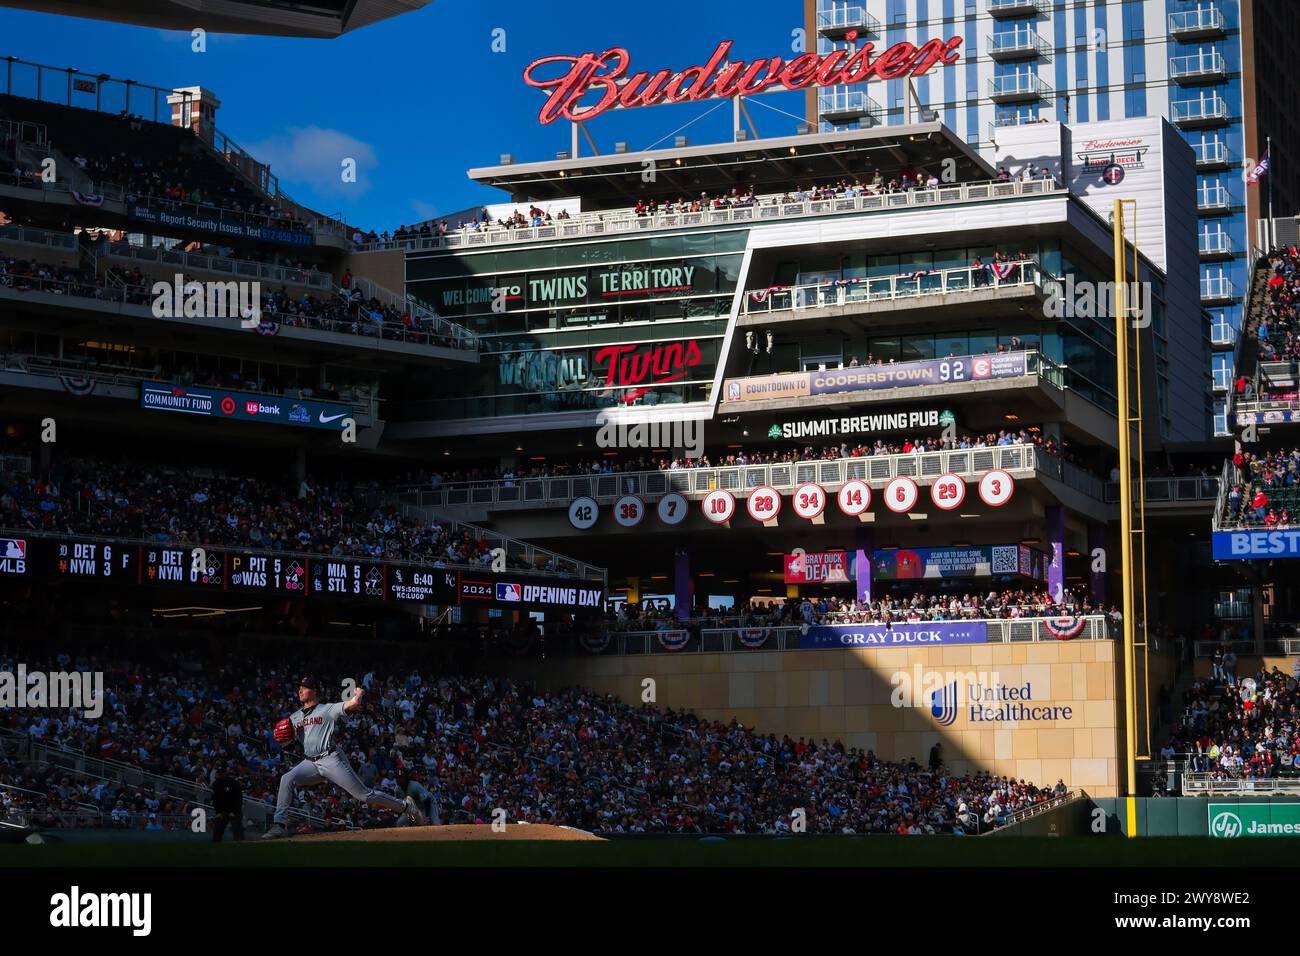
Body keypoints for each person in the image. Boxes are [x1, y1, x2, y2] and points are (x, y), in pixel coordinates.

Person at [262, 676, 426, 839]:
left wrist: (359, 694)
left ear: (314, 691)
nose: (300, 690)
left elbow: (353, 704)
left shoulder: (327, 709)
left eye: (304, 687)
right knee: (286, 779)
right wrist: (284, 741)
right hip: (310, 762)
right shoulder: (295, 717)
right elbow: (289, 744)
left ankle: (406, 806)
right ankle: (280, 825)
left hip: (330, 759)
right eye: (299, 687)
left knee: (364, 796)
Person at [211, 767, 244, 843]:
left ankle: (240, 844)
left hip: (234, 810)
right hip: (222, 810)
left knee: (237, 829)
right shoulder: (215, 784)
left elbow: (238, 798)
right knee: (218, 830)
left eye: (220, 773)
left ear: (224, 773)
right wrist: (218, 812)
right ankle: (215, 843)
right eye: (218, 773)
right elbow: (215, 799)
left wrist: (234, 811)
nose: (218, 775)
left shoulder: (233, 783)